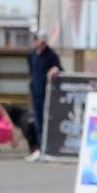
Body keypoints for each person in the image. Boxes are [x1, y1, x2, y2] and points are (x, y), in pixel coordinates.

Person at [25, 32, 62, 161]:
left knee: (47, 121)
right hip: (35, 92)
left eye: (43, 40)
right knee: (37, 121)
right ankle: (40, 149)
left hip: (47, 93)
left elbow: (60, 68)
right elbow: (31, 71)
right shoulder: (31, 55)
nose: (41, 42)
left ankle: (48, 149)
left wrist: (55, 69)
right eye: (39, 40)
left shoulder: (51, 55)